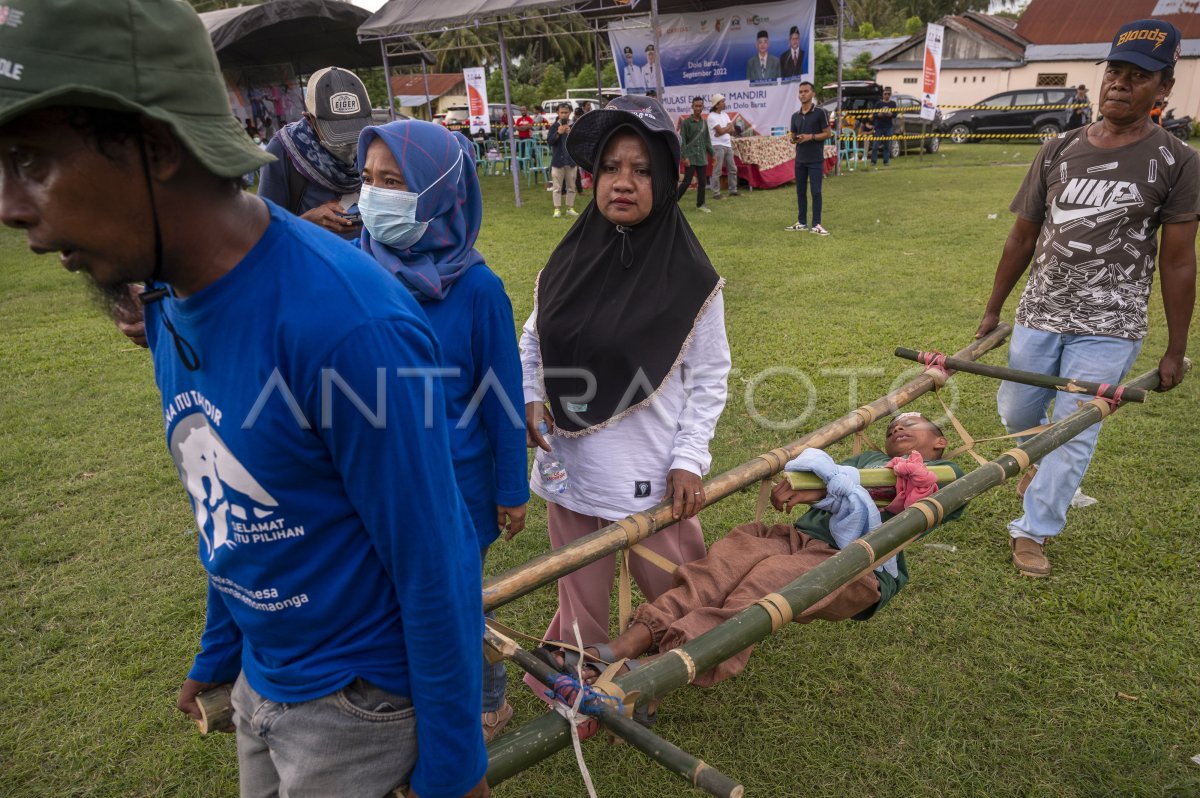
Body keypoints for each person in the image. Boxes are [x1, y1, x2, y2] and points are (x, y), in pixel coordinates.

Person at [0, 2, 489, 796]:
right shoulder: (168, 299)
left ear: (155, 147)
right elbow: (228, 503)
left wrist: (456, 770)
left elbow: (435, 563)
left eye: (32, 160)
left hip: (355, 705)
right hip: (267, 680)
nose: (10, 204)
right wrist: (221, 652)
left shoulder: (346, 326)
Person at [518, 95, 731, 693]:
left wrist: (689, 459)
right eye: (611, 167)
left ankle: (688, 660)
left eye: (641, 170)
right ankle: (579, 681)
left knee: (674, 584)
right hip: (570, 463)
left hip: (653, 472)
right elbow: (533, 341)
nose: (623, 183)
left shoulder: (694, 281)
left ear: (665, 179)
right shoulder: (563, 264)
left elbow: (710, 378)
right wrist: (533, 395)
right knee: (578, 587)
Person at [975, 18, 1198, 578]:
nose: (1120, 85)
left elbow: (1177, 259)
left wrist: (1175, 347)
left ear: (1164, 88)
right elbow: (1022, 235)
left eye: (1138, 77)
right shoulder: (1058, 150)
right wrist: (993, 308)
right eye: (1114, 73)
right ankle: (1037, 463)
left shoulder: (1178, 161)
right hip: (1040, 311)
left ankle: (1034, 529)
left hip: (1111, 324)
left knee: (1076, 426)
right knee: (1017, 411)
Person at [543, 414, 964, 691]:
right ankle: (622, 646)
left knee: (760, 589)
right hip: (795, 537)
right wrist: (809, 484)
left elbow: (910, 494)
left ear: (941, 441)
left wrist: (840, 482)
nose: (897, 427)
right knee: (716, 570)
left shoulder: (947, 476)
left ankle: (657, 672)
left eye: (911, 424)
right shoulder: (871, 457)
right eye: (892, 424)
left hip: (858, 561)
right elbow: (831, 478)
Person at [357, 119, 530, 744]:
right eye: (369, 180)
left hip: (457, 489)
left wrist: (511, 489)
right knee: (392, 602)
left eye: (395, 182)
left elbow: (503, 399)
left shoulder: (479, 289)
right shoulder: (354, 270)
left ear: (437, 190)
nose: (374, 197)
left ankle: (487, 700)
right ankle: (407, 704)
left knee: (459, 605)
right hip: (372, 483)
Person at [259, 67, 372, 240]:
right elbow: (265, 232)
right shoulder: (284, 150)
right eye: (338, 131)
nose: (348, 143)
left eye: (355, 128)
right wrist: (308, 221)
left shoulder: (373, 143)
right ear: (310, 119)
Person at [786, 81, 833, 235]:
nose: (803, 94)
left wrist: (810, 137)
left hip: (815, 159)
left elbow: (828, 134)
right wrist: (794, 139)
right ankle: (802, 222)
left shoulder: (820, 113)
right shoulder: (795, 116)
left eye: (806, 91)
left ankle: (816, 224)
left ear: (813, 94)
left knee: (816, 192)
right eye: (800, 92)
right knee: (800, 191)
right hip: (800, 159)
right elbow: (792, 136)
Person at [677, 96, 713, 213]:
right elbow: (683, 141)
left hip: (702, 157)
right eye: (696, 106)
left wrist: (713, 154)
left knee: (702, 182)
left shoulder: (704, 123)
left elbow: (707, 140)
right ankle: (673, 202)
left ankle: (700, 204)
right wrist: (685, 157)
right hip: (690, 158)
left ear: (703, 107)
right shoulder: (686, 123)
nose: (698, 108)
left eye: (700, 106)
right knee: (687, 181)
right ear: (692, 107)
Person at [547, 103, 579, 218]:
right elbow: (550, 141)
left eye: (566, 112)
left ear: (570, 112)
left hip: (571, 161)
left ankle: (570, 207)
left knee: (571, 187)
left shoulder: (574, 125)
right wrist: (558, 133)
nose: (564, 115)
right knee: (557, 187)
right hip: (557, 161)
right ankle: (557, 209)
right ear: (558, 113)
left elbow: (579, 142)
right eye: (562, 112)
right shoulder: (554, 126)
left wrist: (571, 134)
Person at [706, 94, 739, 199]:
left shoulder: (725, 114)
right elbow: (720, 131)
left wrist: (722, 131)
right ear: (716, 105)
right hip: (717, 145)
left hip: (727, 144)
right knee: (717, 170)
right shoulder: (711, 116)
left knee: (732, 169)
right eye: (722, 102)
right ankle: (716, 193)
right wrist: (725, 129)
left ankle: (733, 190)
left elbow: (732, 129)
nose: (724, 103)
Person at [870, 86, 897, 167]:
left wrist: (891, 114)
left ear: (890, 94)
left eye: (888, 94)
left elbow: (895, 115)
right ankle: (873, 161)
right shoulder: (879, 103)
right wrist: (879, 114)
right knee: (875, 145)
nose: (887, 95)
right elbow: (874, 115)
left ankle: (886, 161)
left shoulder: (893, 104)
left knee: (887, 145)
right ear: (883, 94)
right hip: (879, 127)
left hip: (888, 127)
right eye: (885, 94)